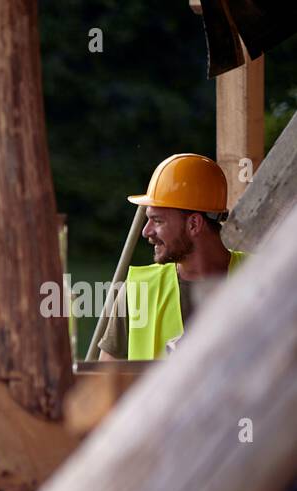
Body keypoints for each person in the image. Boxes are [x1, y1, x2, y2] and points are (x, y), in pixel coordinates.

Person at [98, 153, 247, 361]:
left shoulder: (264, 276)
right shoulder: (137, 292)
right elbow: (106, 378)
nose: (146, 231)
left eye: (157, 220)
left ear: (194, 224)